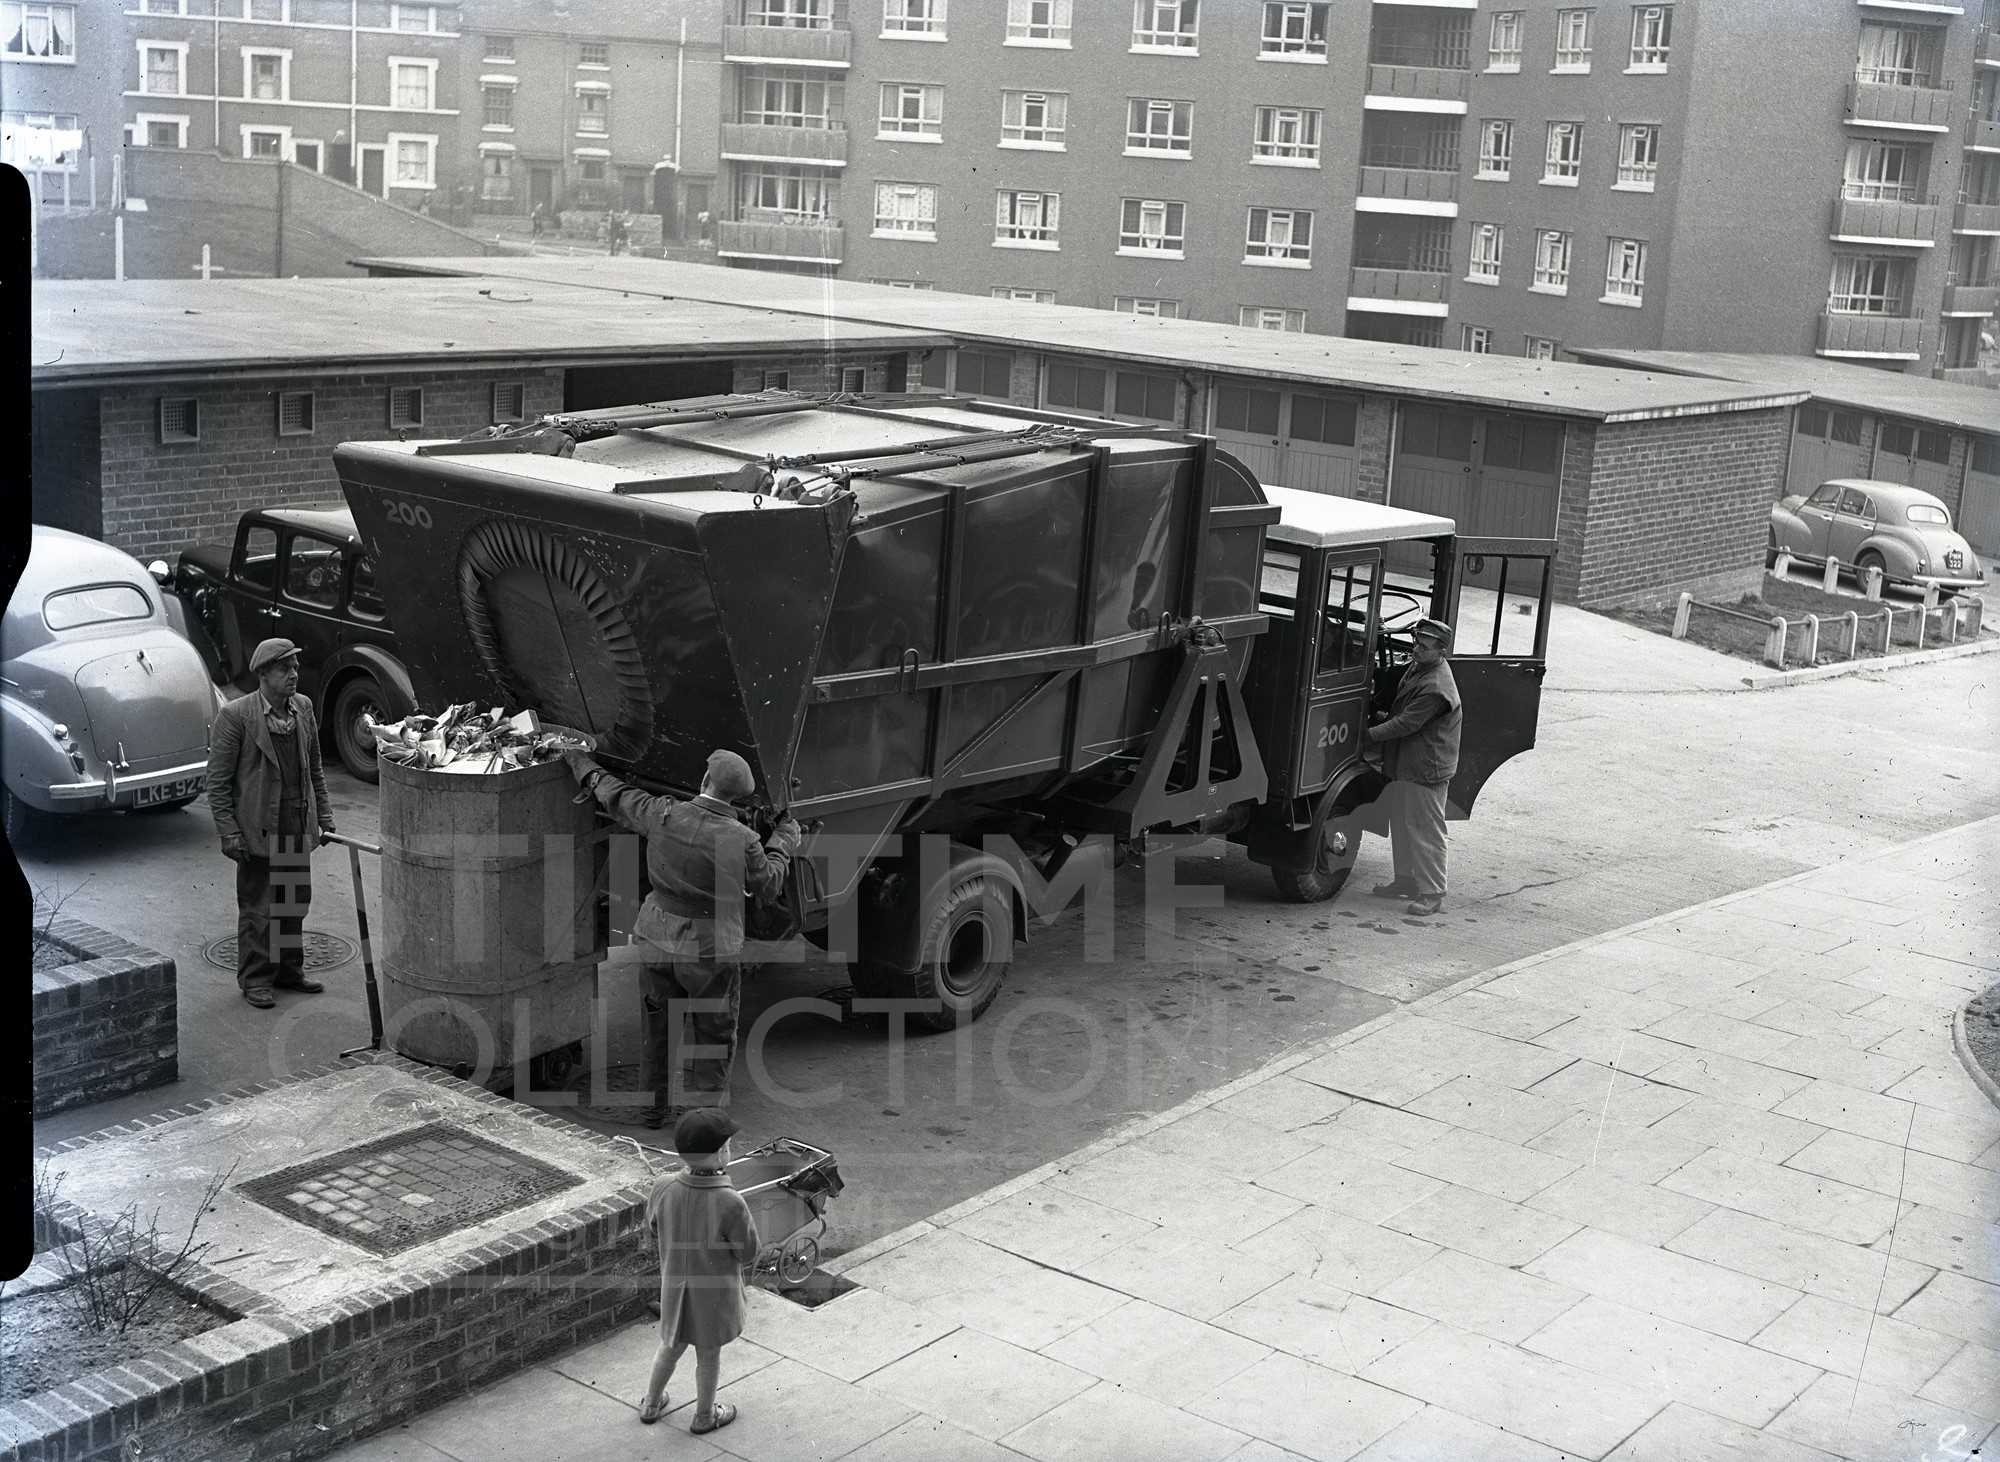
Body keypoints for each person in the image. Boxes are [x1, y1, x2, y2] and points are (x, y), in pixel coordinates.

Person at [564, 746, 800, 1127]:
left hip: (656, 938)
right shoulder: (742, 838)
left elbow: (613, 792)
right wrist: (784, 840)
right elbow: (768, 886)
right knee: (713, 1034)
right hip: (710, 950)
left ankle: (653, 1110)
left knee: (657, 1028)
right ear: (737, 796)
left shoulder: (663, 813)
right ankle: (703, 1122)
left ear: (705, 780)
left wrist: (578, 761)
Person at [207, 639, 336, 1007]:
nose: (293, 675)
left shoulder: (303, 708)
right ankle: (255, 979)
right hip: (257, 830)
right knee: (258, 910)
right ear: (263, 673)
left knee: (293, 904)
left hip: (295, 822)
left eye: (295, 667)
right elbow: (217, 782)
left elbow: (315, 769)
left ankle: (287, 971)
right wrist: (229, 832)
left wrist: (323, 817)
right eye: (284, 669)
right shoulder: (237, 716)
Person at [639, 1107, 758, 1433]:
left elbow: (652, 1227)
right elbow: (747, 1251)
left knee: (669, 1348)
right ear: (721, 1152)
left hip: (675, 1291)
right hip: (714, 1298)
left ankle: (651, 1403)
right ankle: (705, 1415)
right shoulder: (730, 1201)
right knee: (708, 1356)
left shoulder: (663, 1186)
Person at [1362, 617, 1461, 918]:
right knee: (1404, 825)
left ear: (1441, 651)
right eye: (1417, 641)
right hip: (1409, 763)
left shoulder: (1436, 686)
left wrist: (1365, 737)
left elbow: (1407, 723)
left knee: (1426, 830)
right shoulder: (1422, 667)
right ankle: (1405, 881)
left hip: (1425, 768)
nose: (1416, 648)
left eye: (1424, 646)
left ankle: (1432, 893)